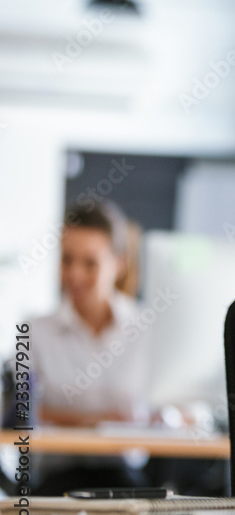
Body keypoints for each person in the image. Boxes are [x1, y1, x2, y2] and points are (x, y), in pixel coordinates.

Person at [26, 202, 150, 492]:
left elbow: (173, 408)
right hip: (56, 479)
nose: (75, 275)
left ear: (119, 264)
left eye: (89, 263)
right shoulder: (35, 331)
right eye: (67, 260)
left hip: (126, 478)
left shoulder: (146, 328)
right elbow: (19, 411)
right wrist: (99, 421)